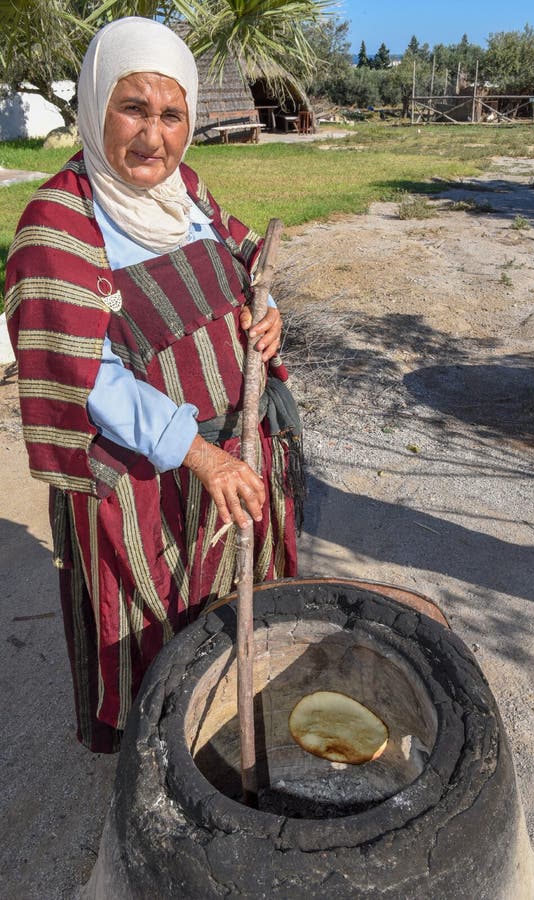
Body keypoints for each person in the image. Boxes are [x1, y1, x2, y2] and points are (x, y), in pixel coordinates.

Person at [4, 17, 302, 754]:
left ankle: (235, 717)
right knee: (155, 617)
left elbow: (244, 268)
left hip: (237, 446)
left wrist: (267, 318)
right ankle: (165, 759)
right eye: (133, 108)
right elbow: (84, 375)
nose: (153, 137)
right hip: (143, 483)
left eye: (172, 115)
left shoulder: (187, 195)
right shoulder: (57, 227)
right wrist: (199, 455)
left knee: (235, 597)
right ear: (97, 102)